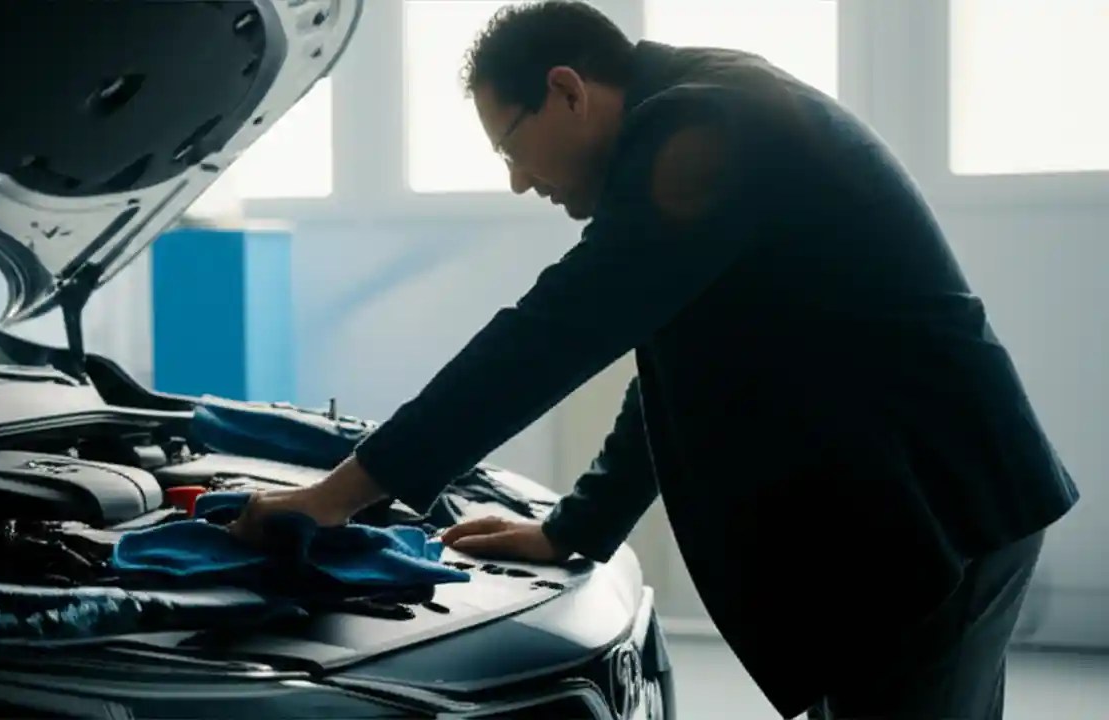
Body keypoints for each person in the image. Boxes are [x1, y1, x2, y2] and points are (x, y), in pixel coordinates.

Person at [229, 2, 1079, 717]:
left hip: (939, 519)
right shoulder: (701, 113)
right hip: (918, 518)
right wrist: (576, 528)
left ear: (566, 90)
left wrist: (334, 496)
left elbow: (552, 332)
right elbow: (676, 367)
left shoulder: (710, 125)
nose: (521, 183)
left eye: (510, 150)